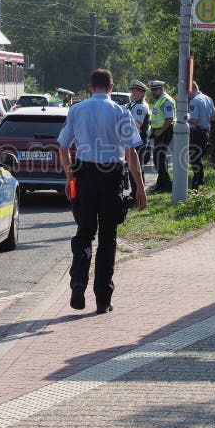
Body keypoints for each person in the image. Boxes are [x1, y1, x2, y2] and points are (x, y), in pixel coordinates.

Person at [57, 69, 147, 314]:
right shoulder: (121, 112)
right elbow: (131, 152)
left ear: (90, 87)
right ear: (111, 87)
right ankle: (103, 299)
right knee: (108, 239)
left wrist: (69, 178)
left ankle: (78, 280)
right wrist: (140, 188)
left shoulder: (76, 110)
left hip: (84, 177)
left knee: (84, 234)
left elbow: (63, 147)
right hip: (112, 178)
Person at [187, 80, 215, 189]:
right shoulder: (208, 99)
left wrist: (184, 118)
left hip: (196, 133)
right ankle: (198, 185)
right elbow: (214, 117)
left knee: (195, 160)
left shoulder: (194, 101)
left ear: (191, 90)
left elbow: (194, 119)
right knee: (197, 159)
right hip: (206, 132)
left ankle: (198, 186)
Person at [149, 80, 175, 192]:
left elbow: (169, 118)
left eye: (156, 89)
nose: (153, 92)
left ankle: (167, 185)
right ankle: (161, 185)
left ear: (162, 89)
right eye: (152, 90)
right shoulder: (159, 100)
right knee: (158, 158)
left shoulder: (166, 100)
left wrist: (160, 131)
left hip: (164, 131)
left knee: (159, 158)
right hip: (159, 132)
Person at [127, 79, 150, 199]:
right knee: (134, 167)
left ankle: (137, 194)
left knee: (136, 167)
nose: (133, 93)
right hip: (134, 140)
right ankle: (135, 193)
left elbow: (136, 126)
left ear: (142, 93)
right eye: (133, 90)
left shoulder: (139, 107)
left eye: (136, 91)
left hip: (137, 141)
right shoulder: (133, 104)